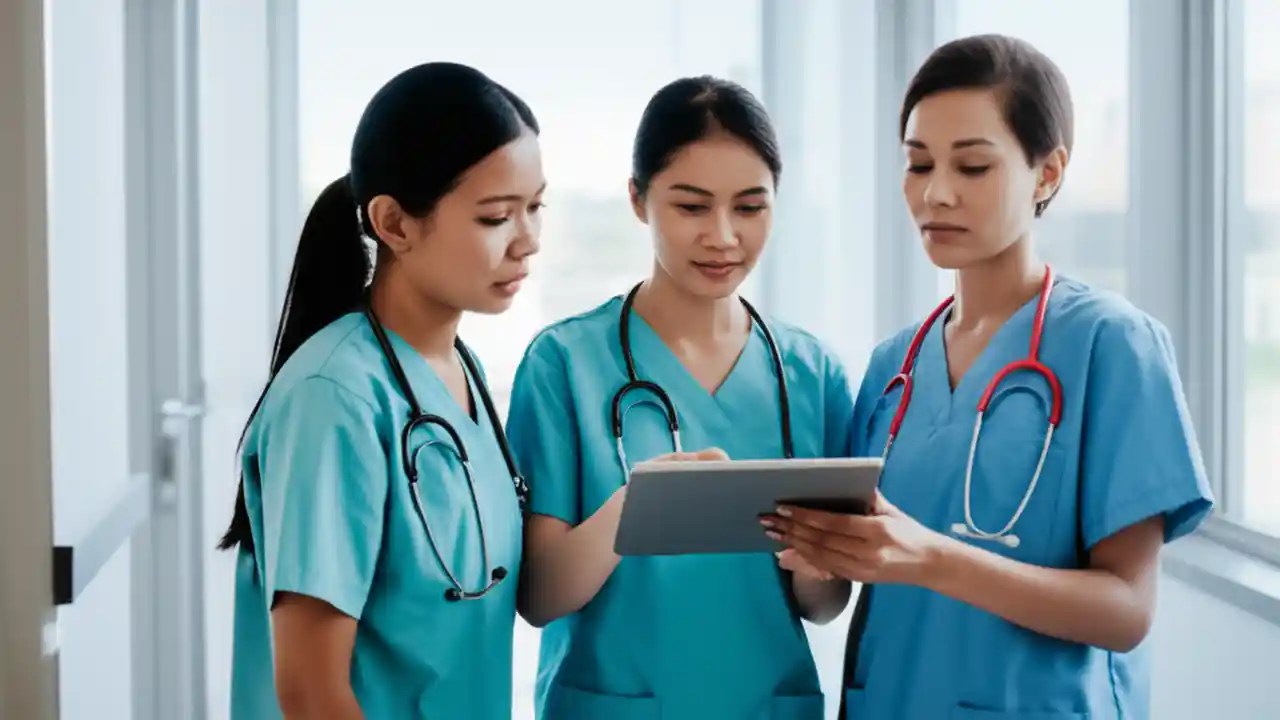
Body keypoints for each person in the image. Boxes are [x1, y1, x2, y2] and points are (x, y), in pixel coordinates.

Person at [764, 34, 1215, 719]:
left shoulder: (1112, 346)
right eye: (918, 165)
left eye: (972, 167)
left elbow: (1125, 611)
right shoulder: (895, 367)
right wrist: (809, 559)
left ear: (1047, 173)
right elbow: (834, 599)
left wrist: (932, 559)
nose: (935, 193)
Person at [506, 75, 855, 720]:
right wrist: (638, 507)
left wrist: (817, 564)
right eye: (692, 207)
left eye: (750, 208)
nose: (723, 237)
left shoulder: (813, 374)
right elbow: (540, 595)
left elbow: (824, 605)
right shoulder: (563, 365)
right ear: (639, 200)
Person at [218, 62, 545, 719]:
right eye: (495, 217)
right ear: (394, 224)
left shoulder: (462, 371)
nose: (528, 243)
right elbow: (311, 695)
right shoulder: (332, 397)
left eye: (536, 207)